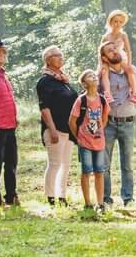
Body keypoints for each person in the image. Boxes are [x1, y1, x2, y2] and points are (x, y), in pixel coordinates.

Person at [35, 46, 79, 206]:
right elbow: (44, 108)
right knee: (55, 163)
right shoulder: (45, 81)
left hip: (68, 129)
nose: (61, 58)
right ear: (48, 60)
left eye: (61, 55)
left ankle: (62, 196)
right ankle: (50, 197)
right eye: (56, 55)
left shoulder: (63, 81)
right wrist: (52, 129)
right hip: (55, 129)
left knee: (65, 165)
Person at [97, 41, 136, 207]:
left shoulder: (130, 69)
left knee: (127, 164)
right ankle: (106, 198)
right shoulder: (101, 73)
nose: (114, 52)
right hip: (108, 123)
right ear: (104, 57)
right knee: (105, 164)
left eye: (115, 48)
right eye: (110, 51)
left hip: (128, 122)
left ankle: (128, 198)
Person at [0, 38, 21, 206]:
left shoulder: (2, 73)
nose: (5, 53)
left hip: (10, 125)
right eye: (2, 50)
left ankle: (11, 195)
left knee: (11, 162)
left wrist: (15, 117)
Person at [71, 69, 110, 212]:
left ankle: (100, 203)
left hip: (99, 143)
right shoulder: (81, 100)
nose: (93, 77)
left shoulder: (102, 100)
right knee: (86, 171)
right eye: (89, 76)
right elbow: (72, 121)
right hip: (85, 143)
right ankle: (87, 203)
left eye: (94, 75)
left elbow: (105, 118)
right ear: (84, 84)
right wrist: (79, 137)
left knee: (100, 172)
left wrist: (98, 131)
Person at [100, 9, 136, 100]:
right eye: (115, 21)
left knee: (130, 70)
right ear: (110, 22)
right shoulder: (106, 36)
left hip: (120, 57)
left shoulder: (123, 35)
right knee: (104, 72)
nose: (118, 24)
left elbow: (128, 51)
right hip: (109, 58)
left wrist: (129, 64)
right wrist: (101, 65)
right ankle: (108, 93)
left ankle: (134, 92)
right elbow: (100, 51)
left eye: (120, 22)